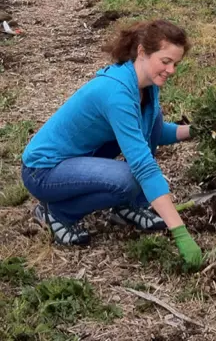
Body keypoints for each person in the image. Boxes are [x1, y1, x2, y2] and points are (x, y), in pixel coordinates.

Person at [21, 19, 202, 269]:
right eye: (166, 61)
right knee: (130, 178)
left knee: (153, 121)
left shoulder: (145, 87)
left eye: (176, 64)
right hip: (43, 171)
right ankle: (58, 214)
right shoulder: (117, 93)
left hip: (78, 159)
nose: (171, 70)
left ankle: (125, 207)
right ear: (142, 52)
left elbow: (153, 132)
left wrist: (196, 130)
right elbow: (143, 165)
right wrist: (180, 231)